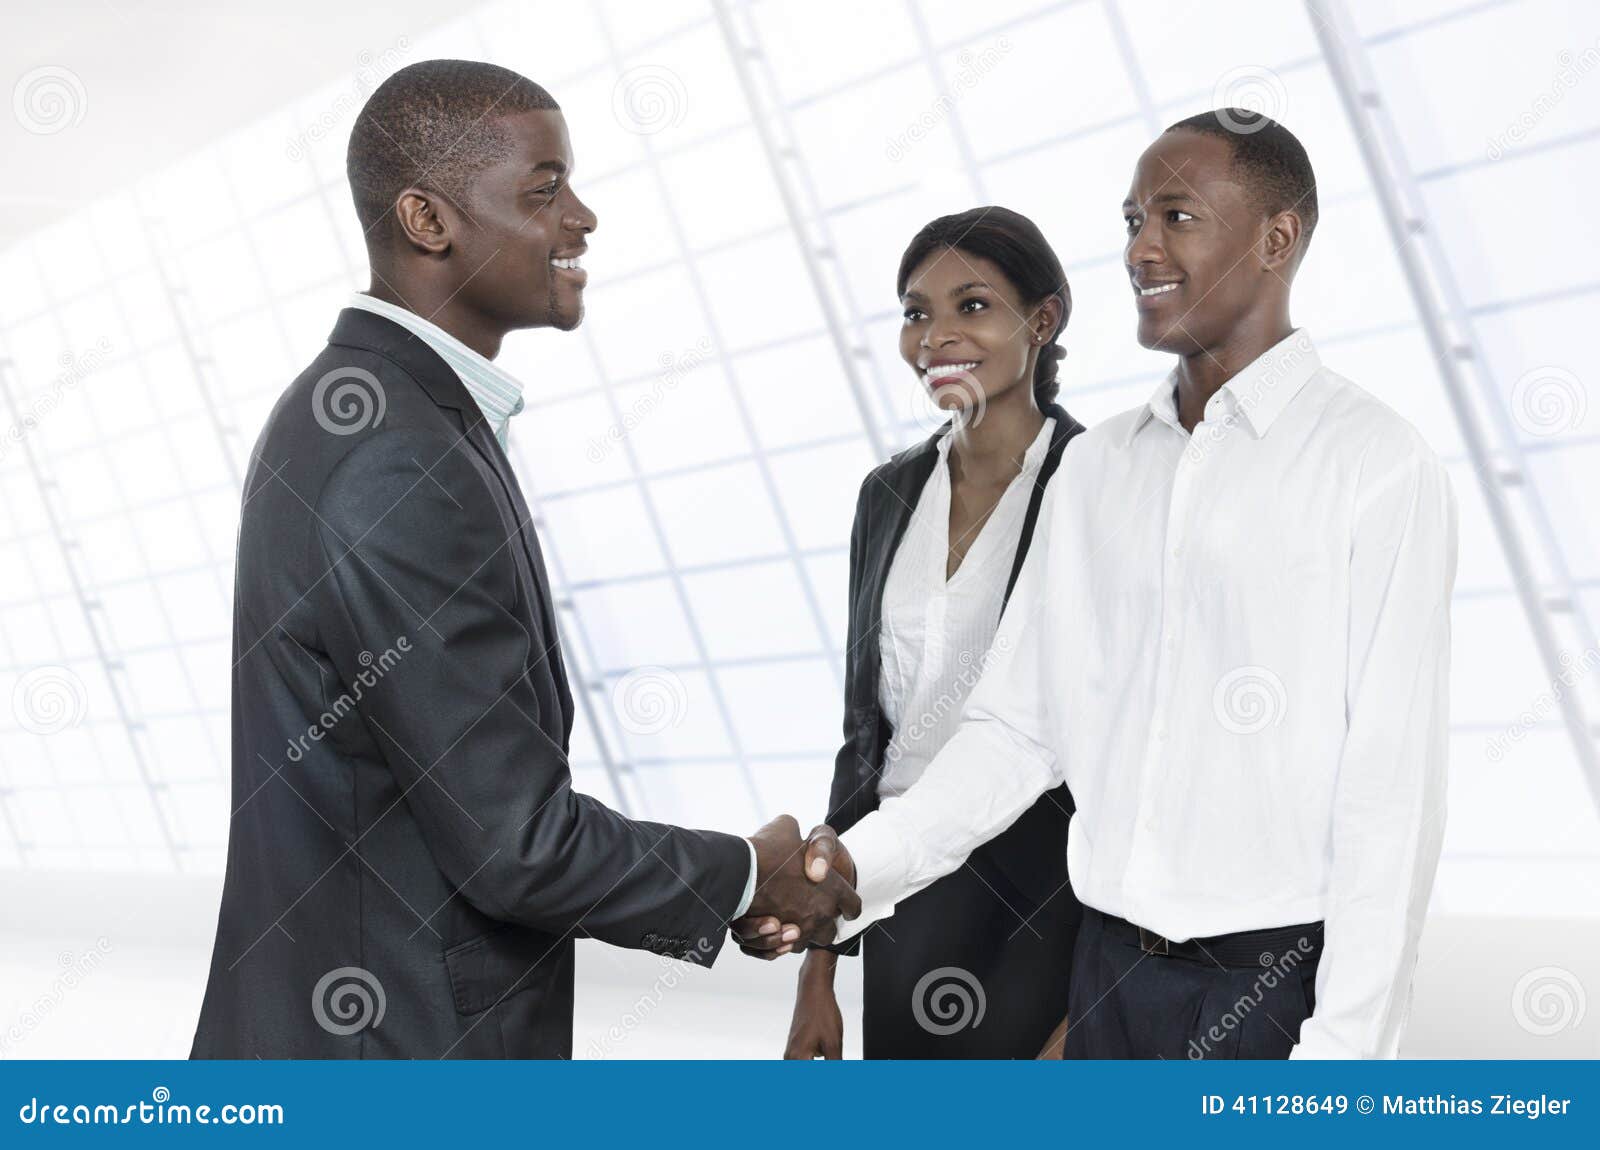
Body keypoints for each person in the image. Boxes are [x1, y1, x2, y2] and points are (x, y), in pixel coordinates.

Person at [190, 59, 856, 1060]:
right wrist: (746, 876)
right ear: (428, 220)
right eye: (545, 190)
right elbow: (515, 845)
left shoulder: (382, 414)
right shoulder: (395, 454)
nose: (582, 217)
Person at [779, 110, 1458, 1060]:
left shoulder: (1376, 465)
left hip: (1271, 993)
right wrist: (854, 866)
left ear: (1277, 239)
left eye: (1176, 216)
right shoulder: (1098, 469)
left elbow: (1391, 795)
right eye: (1133, 220)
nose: (1141, 248)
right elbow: (1016, 730)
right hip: (1107, 979)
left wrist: (1343, 1064)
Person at [779, 208, 1086, 1059]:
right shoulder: (886, 494)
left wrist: (1096, 1003)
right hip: (899, 892)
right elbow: (862, 741)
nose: (936, 336)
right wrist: (818, 972)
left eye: (972, 306)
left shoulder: (1099, 483)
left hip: (1048, 900)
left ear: (1043, 321)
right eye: (917, 312)